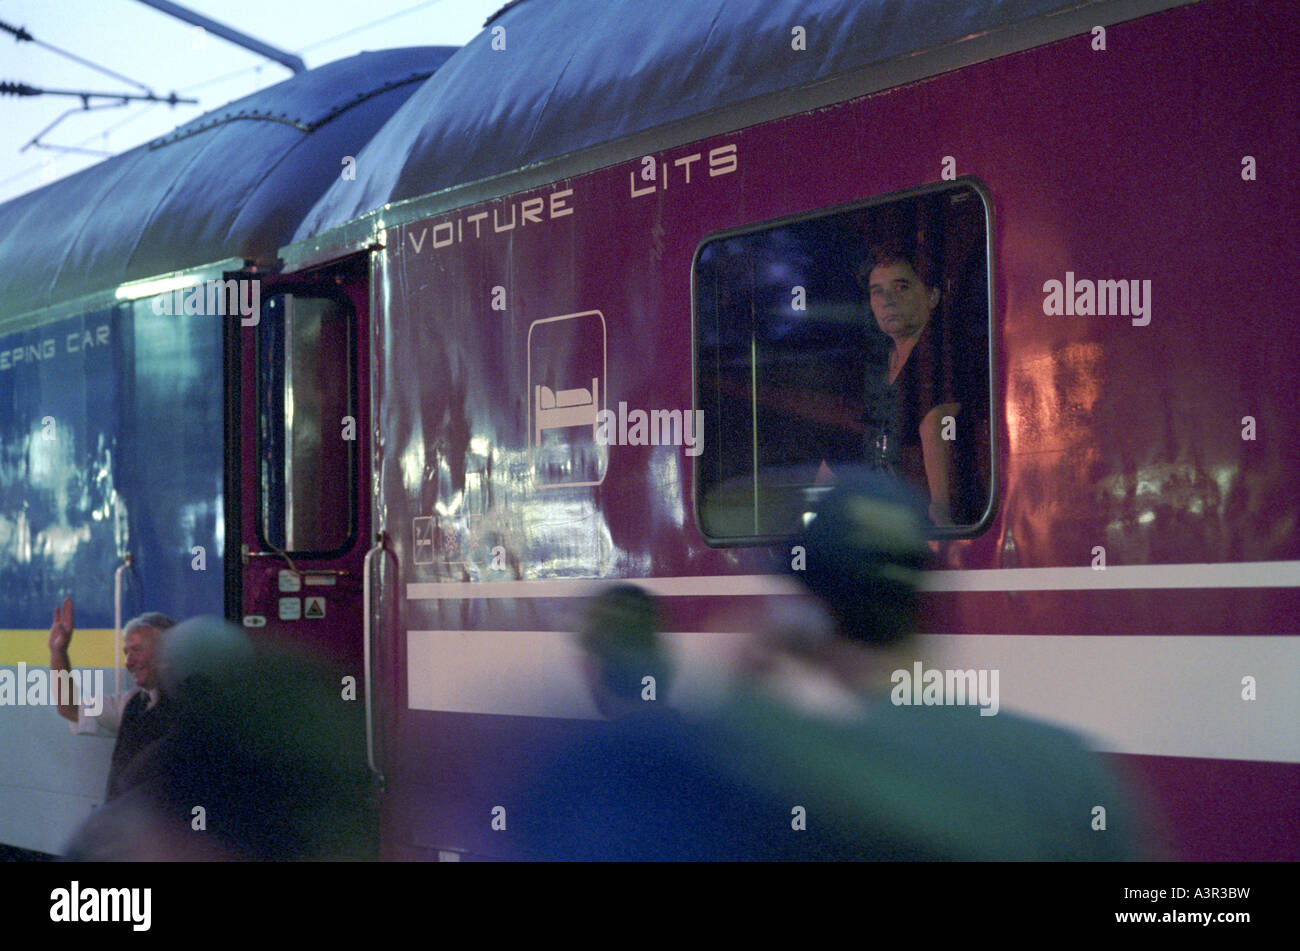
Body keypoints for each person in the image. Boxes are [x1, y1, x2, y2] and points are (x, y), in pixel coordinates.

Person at [856, 246, 965, 526]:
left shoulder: (944, 355)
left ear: (932, 296)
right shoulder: (875, 366)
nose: (887, 301)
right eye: (876, 291)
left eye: (901, 287)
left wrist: (940, 509)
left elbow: (936, 421)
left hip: (924, 521)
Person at [48, 597, 178, 802]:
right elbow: (68, 707)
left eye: (136, 650)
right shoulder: (131, 703)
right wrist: (58, 652)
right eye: (126, 653)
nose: (128, 662)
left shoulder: (198, 706)